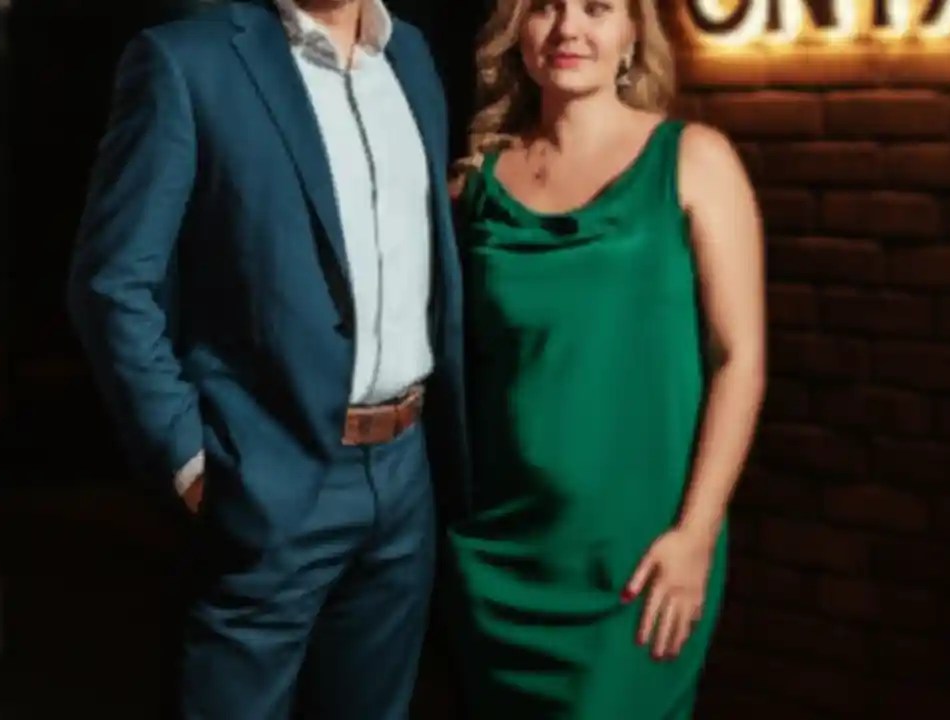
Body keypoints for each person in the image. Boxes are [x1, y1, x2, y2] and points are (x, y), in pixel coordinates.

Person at [66, 0, 469, 718]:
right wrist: (187, 457)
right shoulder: (189, 62)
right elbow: (114, 282)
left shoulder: (411, 57)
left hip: (406, 477)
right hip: (267, 473)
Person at [447, 0, 766, 717]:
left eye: (597, 8)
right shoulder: (473, 190)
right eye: (544, 9)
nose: (569, 30)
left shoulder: (694, 160)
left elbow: (739, 359)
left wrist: (697, 534)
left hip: (642, 561)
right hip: (504, 558)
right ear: (515, 34)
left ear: (631, 34)